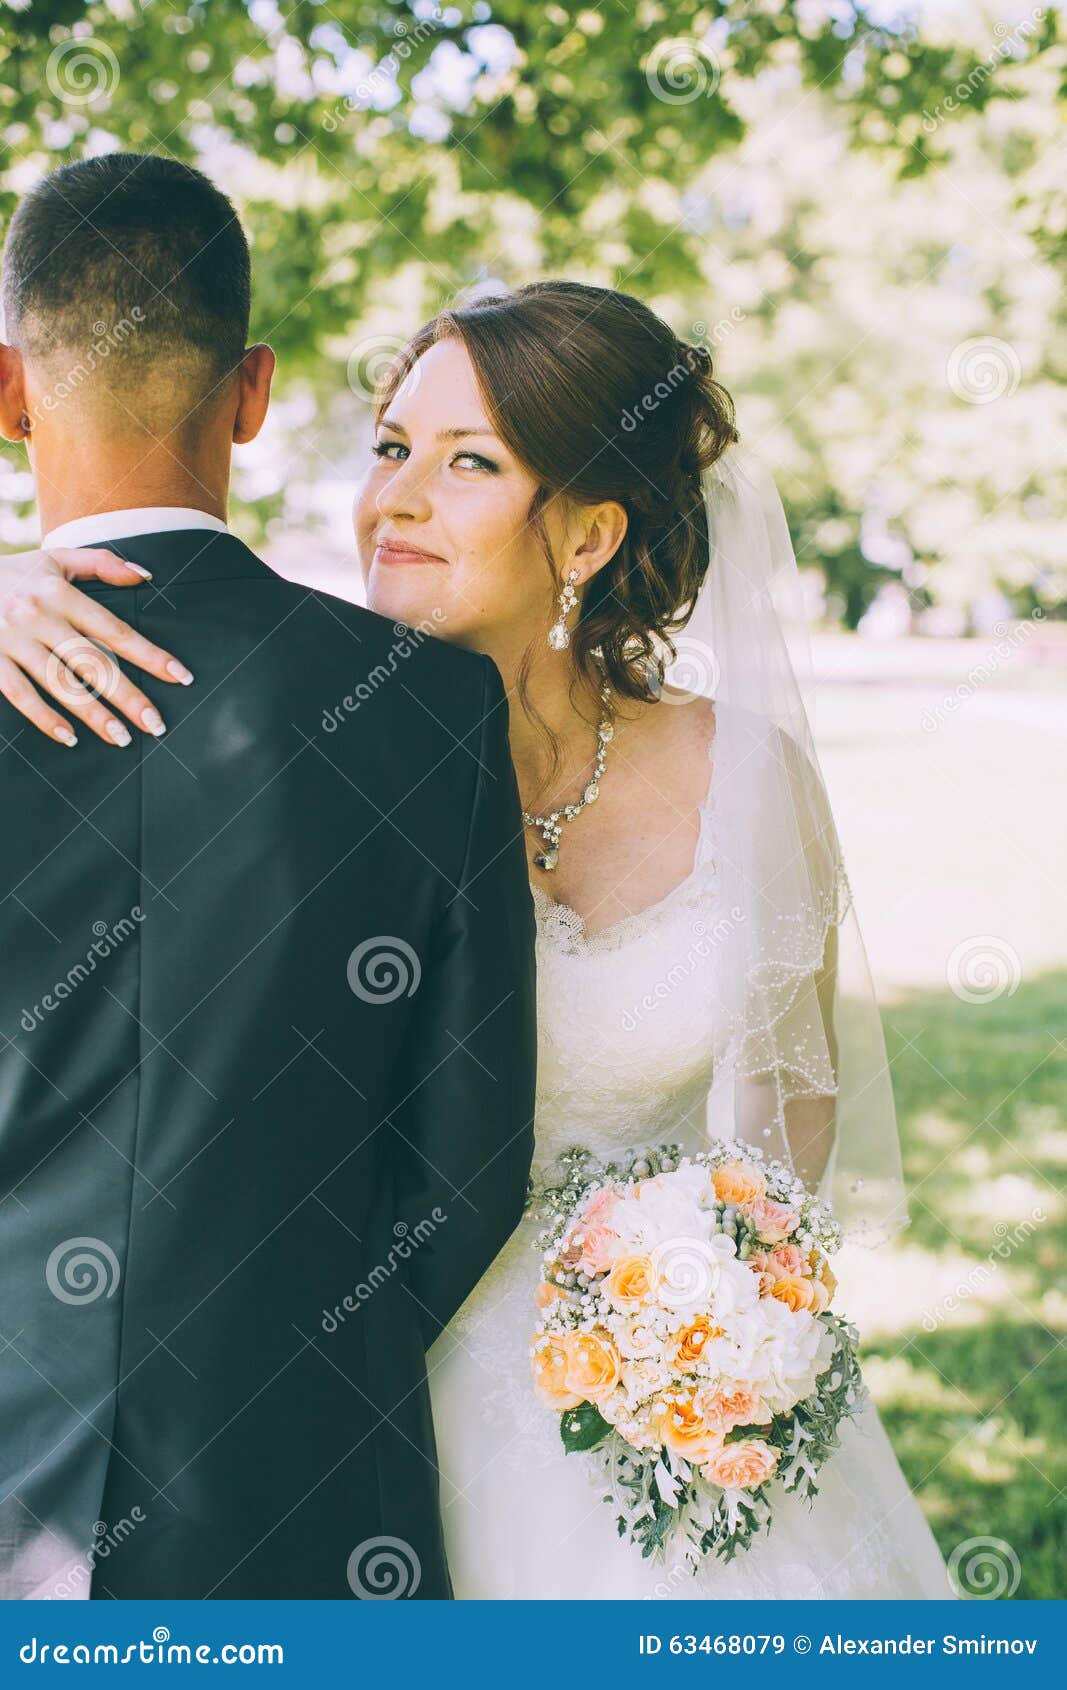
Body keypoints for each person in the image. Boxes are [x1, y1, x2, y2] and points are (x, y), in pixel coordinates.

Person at [0, 273, 952, 1596]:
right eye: (391, 447)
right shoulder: (312, 733)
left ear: (585, 535)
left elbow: (790, 1117)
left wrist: (720, 1319)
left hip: (653, 1402)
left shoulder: (746, 775)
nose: (394, 497)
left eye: (467, 463)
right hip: (349, 1396)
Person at [0, 154, 536, 1600]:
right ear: (250, 391)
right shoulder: (428, 706)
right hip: (302, 1492)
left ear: (6, 391)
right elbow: (469, 1165)